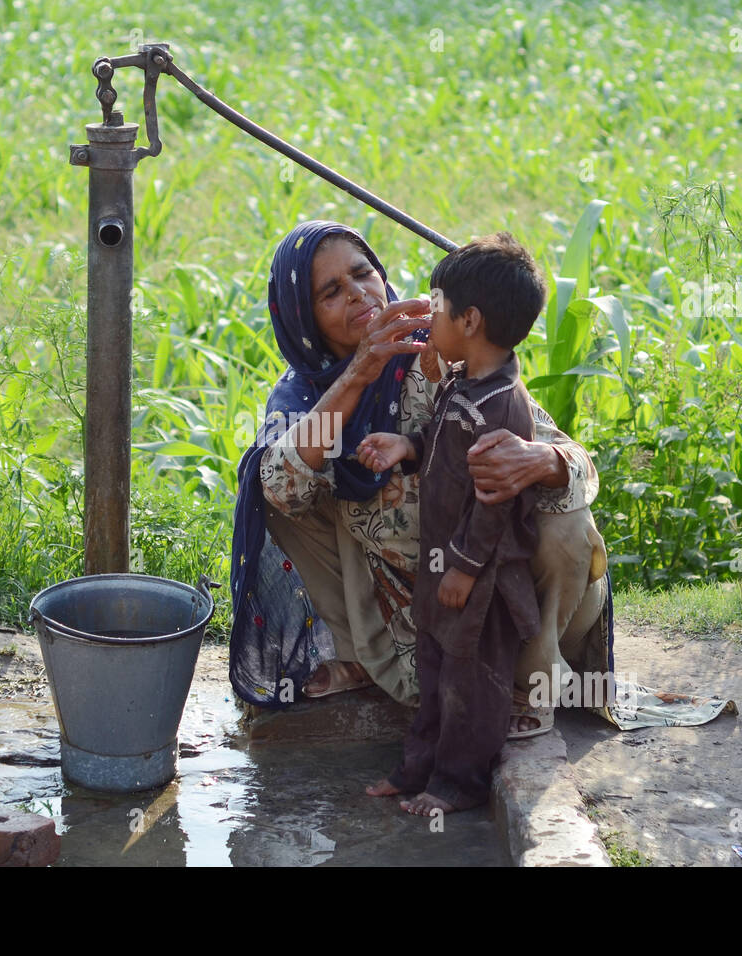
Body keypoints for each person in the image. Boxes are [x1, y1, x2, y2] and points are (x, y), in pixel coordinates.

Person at [228, 220, 609, 736]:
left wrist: (541, 461)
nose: (359, 294)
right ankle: (367, 658)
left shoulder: (441, 349)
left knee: (566, 516)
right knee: (274, 476)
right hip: (412, 618)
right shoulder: (302, 396)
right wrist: (357, 374)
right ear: (304, 318)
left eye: (363, 274)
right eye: (331, 292)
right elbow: (279, 487)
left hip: (512, 601)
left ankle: (526, 685)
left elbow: (575, 459)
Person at [357, 232, 545, 814]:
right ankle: (417, 771)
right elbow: (444, 446)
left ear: (469, 319)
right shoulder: (464, 383)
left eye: (435, 306)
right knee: (435, 675)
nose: (426, 315)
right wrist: (407, 447)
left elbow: (493, 500)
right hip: (445, 567)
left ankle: (458, 786)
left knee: (471, 687)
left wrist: (463, 567)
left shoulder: (503, 404)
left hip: (480, 579)